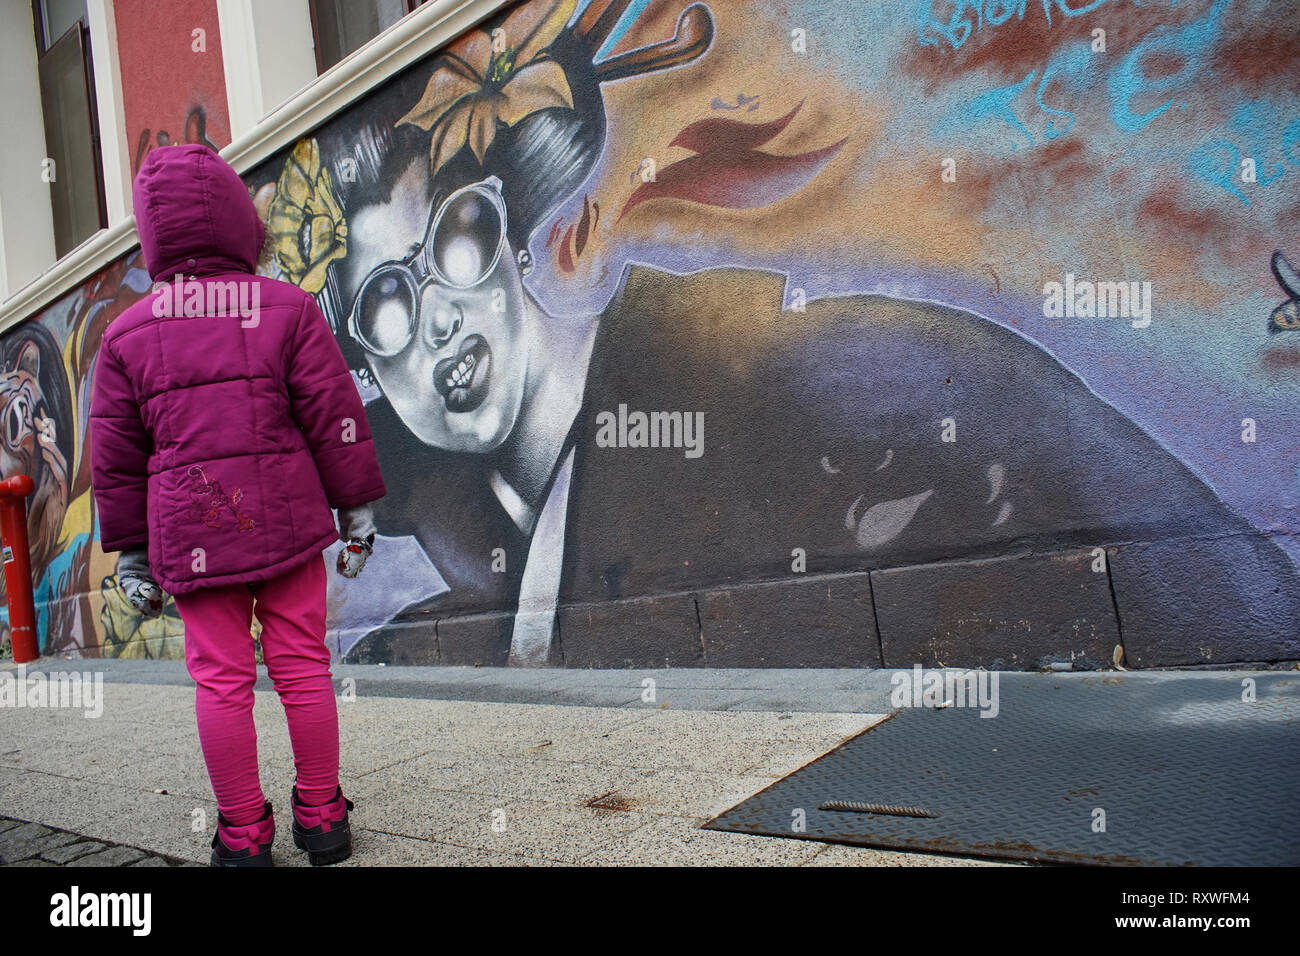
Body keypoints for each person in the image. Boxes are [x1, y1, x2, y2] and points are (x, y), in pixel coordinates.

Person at [89, 143, 387, 866]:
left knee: (220, 682)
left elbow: (116, 458)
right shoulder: (285, 308)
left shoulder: (125, 335)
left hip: (194, 533)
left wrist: (132, 554)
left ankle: (244, 836)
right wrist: (357, 511)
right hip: (284, 527)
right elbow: (334, 414)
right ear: (237, 222)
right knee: (303, 668)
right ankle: (322, 819)